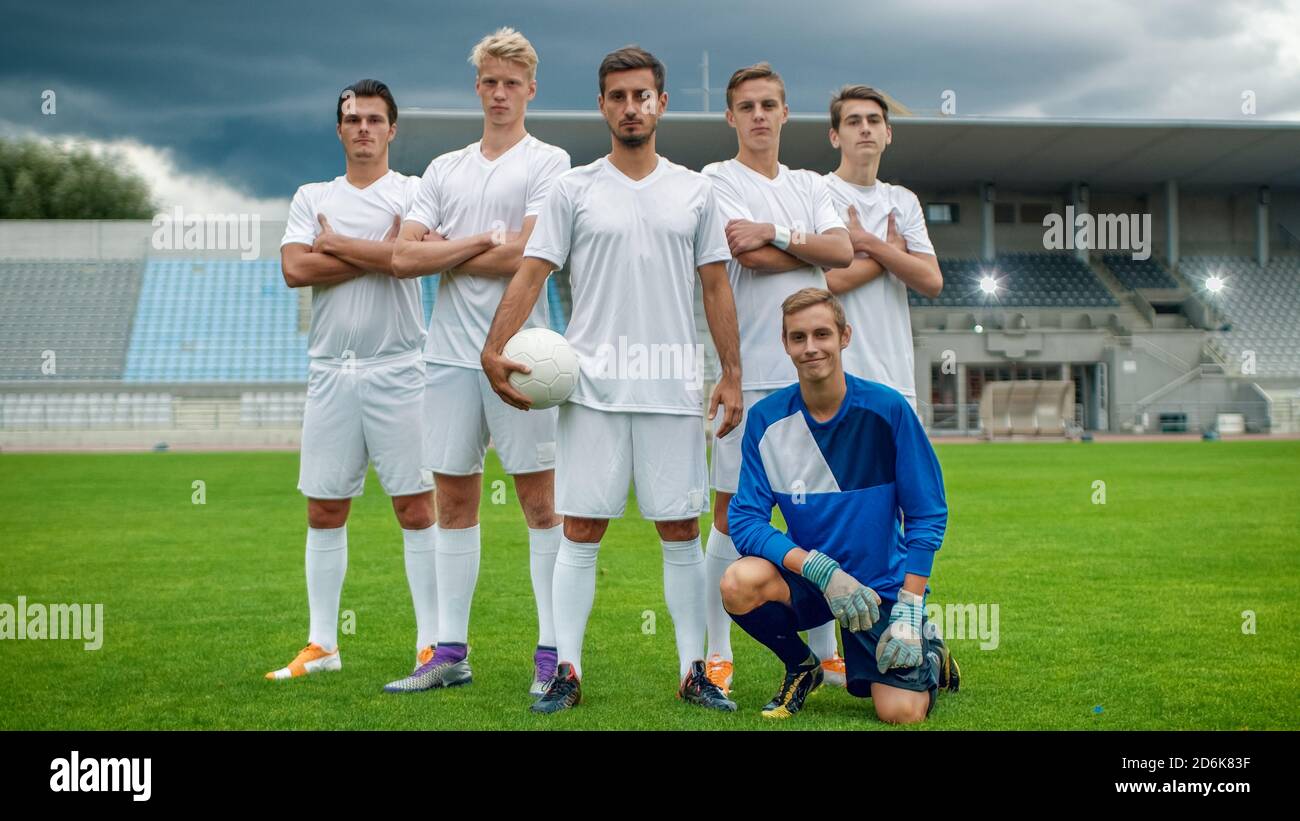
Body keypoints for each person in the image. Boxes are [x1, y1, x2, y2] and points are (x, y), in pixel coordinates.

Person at [481, 45, 742, 714]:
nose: (631, 106)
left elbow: (716, 284)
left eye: (642, 95)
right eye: (618, 96)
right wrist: (494, 347)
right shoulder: (572, 187)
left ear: (661, 103)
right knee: (581, 528)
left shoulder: (694, 189)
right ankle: (565, 669)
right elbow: (532, 271)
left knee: (681, 530)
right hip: (590, 388)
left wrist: (732, 373)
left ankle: (694, 670)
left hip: (669, 388)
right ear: (602, 105)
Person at [386, 28, 570, 696]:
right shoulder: (443, 168)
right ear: (478, 86)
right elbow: (404, 256)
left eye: (511, 83)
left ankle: (552, 652)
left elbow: (530, 256)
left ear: (530, 89)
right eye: (490, 81)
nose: (499, 93)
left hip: (524, 355)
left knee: (539, 502)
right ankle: (450, 652)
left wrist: (448, 246)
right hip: (448, 357)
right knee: (454, 498)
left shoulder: (550, 162)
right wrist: (488, 240)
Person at [724, 288, 959, 722]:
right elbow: (744, 519)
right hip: (815, 582)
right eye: (798, 337)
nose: (810, 347)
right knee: (738, 582)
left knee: (901, 712)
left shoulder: (887, 409)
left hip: (880, 588)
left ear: (844, 337)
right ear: (786, 344)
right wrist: (818, 569)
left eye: (821, 334)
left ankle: (928, 647)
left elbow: (927, 513)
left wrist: (909, 604)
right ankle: (802, 667)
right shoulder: (767, 420)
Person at [268, 79, 435, 682]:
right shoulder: (312, 195)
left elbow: (413, 257)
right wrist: (379, 251)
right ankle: (322, 644)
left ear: (392, 129)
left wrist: (336, 246)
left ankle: (430, 644)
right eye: (352, 118)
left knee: (416, 507)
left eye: (373, 118)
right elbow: (294, 268)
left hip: (399, 369)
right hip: (331, 372)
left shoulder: (416, 193)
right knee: (323, 508)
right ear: (339, 129)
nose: (362, 127)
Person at [699, 62, 852, 696]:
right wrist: (801, 244)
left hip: (808, 375)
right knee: (730, 516)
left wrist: (781, 232)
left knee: (815, 517)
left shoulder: (813, 183)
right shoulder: (715, 180)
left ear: (786, 114)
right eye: (747, 106)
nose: (759, 115)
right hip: (750, 376)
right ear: (731, 117)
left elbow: (842, 252)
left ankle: (825, 654)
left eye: (769, 104)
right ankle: (715, 653)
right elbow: (746, 253)